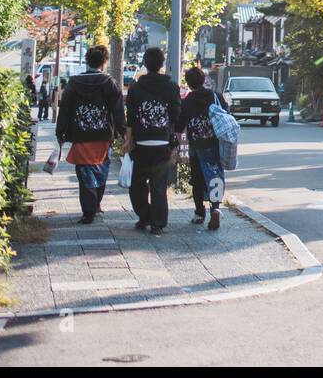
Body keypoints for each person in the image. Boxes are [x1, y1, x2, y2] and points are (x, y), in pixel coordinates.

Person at [55, 45, 125, 225]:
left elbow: (65, 109)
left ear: (87, 60)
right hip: (103, 136)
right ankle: (96, 203)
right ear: (104, 62)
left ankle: (88, 211)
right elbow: (118, 110)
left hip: (80, 135)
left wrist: (60, 131)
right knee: (101, 169)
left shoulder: (74, 82)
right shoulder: (109, 83)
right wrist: (124, 132)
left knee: (84, 171)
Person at [123, 47, 182, 236]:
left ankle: (144, 215)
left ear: (145, 64)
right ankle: (158, 222)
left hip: (141, 143)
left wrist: (128, 140)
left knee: (137, 185)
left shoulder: (136, 88)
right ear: (162, 64)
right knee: (159, 186)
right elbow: (175, 113)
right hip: (162, 143)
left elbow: (130, 117)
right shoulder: (172, 87)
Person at [177, 67, 225, 231]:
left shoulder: (188, 100)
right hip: (214, 144)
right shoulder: (215, 96)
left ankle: (199, 213)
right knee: (215, 176)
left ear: (189, 84)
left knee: (197, 180)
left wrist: (177, 144)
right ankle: (216, 208)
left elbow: (180, 124)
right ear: (203, 78)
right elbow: (225, 115)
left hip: (196, 145)